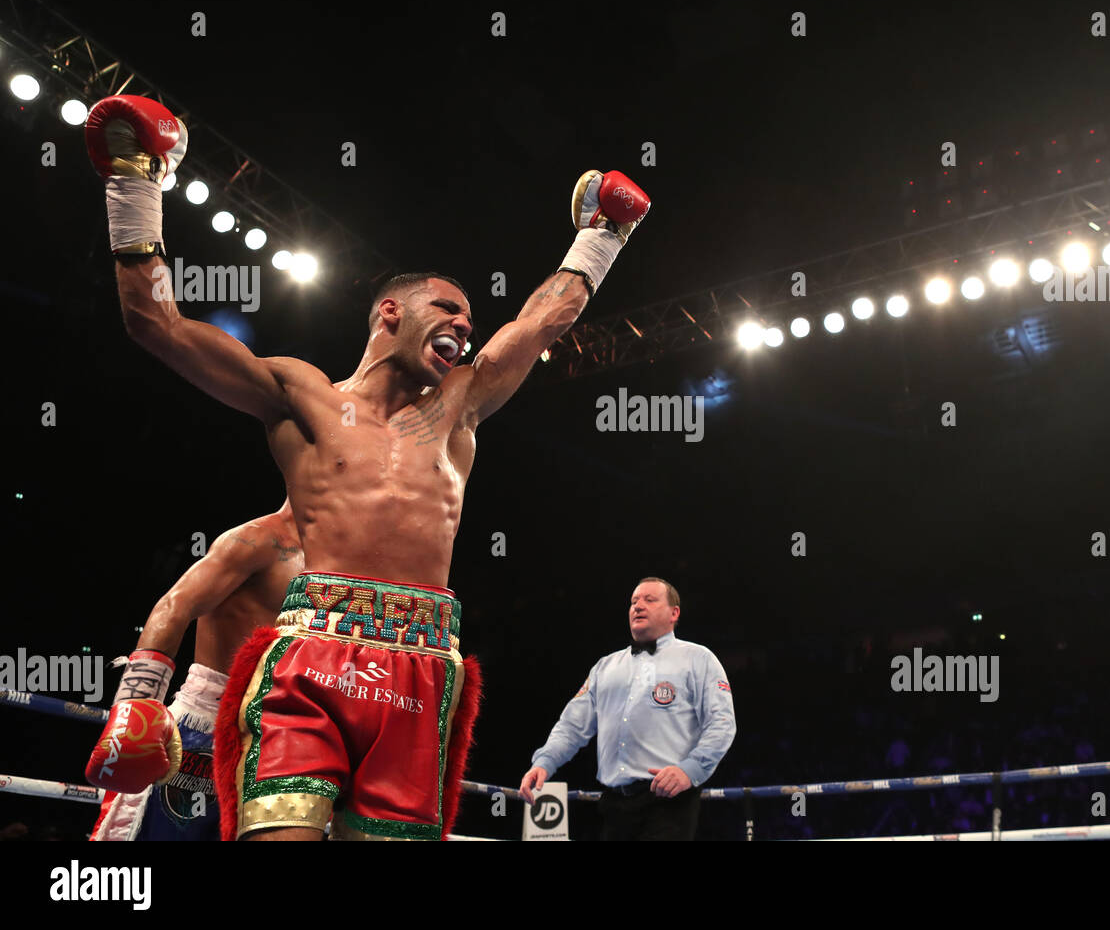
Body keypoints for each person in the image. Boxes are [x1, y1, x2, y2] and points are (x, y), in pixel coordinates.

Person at [83, 94, 650, 841]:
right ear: (389, 313)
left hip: (419, 670)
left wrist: (603, 236)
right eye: (447, 308)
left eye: (469, 323)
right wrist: (136, 179)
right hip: (312, 655)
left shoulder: (459, 407)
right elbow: (155, 324)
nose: (462, 326)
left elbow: (544, 319)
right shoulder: (300, 395)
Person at [87, 503, 302, 840]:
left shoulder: (343, 562)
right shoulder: (257, 540)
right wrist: (135, 711)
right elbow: (174, 606)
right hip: (208, 726)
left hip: (285, 731)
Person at [519, 578, 736, 840]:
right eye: (634, 602)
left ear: (674, 613)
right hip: (614, 805)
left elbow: (722, 723)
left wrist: (690, 769)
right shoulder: (605, 667)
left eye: (649, 600)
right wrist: (545, 762)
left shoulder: (698, 659)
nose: (638, 606)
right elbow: (572, 726)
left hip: (668, 802)